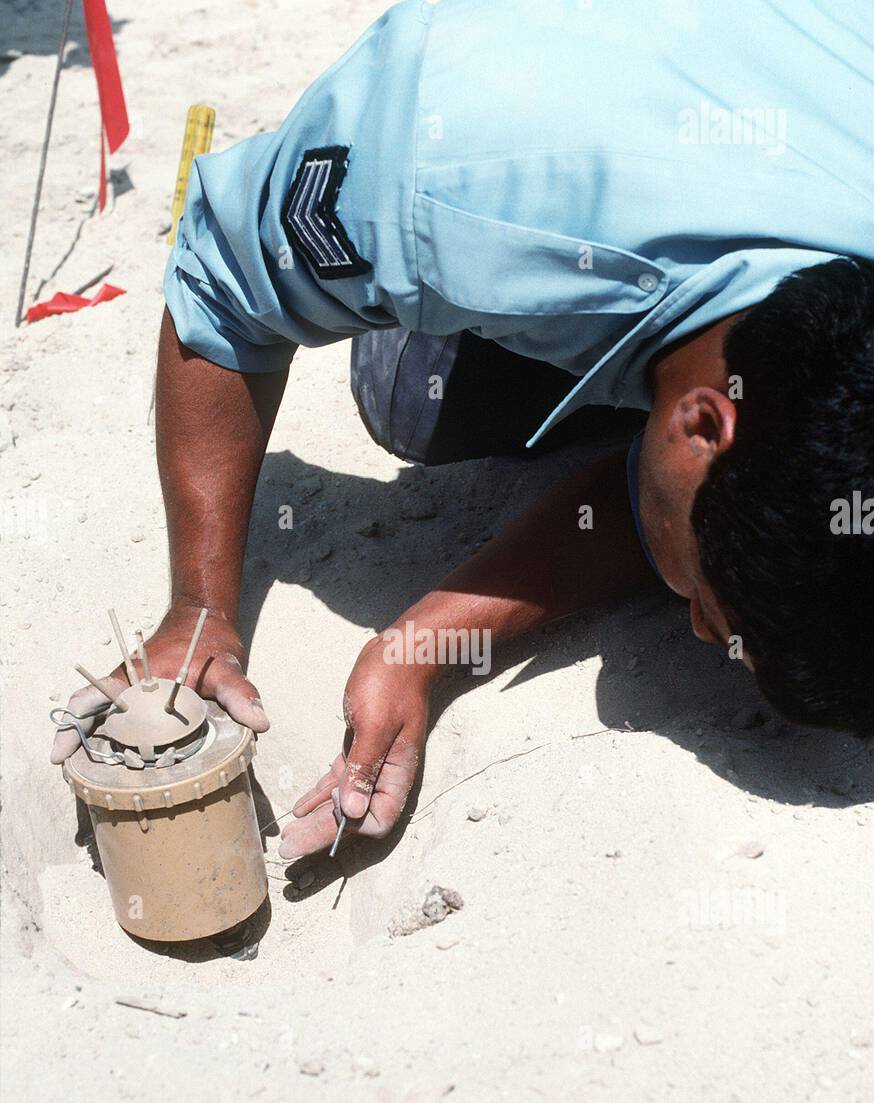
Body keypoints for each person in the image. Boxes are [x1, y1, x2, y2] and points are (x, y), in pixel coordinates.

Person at [51, 0, 874, 861]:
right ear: (702, 424)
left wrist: (421, 651)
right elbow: (220, 280)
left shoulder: (715, 427)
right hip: (526, 113)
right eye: (709, 609)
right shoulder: (441, 188)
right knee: (413, 402)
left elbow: (670, 493)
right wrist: (199, 609)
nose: (702, 634)